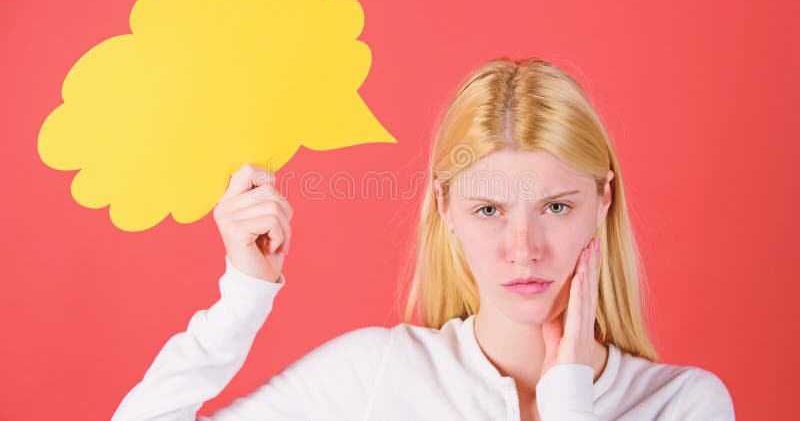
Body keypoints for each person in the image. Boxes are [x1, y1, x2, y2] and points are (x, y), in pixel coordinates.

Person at [111, 58, 736, 420]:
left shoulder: (683, 404)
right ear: (446, 209)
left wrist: (567, 399)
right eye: (489, 209)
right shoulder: (377, 373)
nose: (523, 248)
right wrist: (243, 298)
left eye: (555, 206)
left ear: (603, 202)